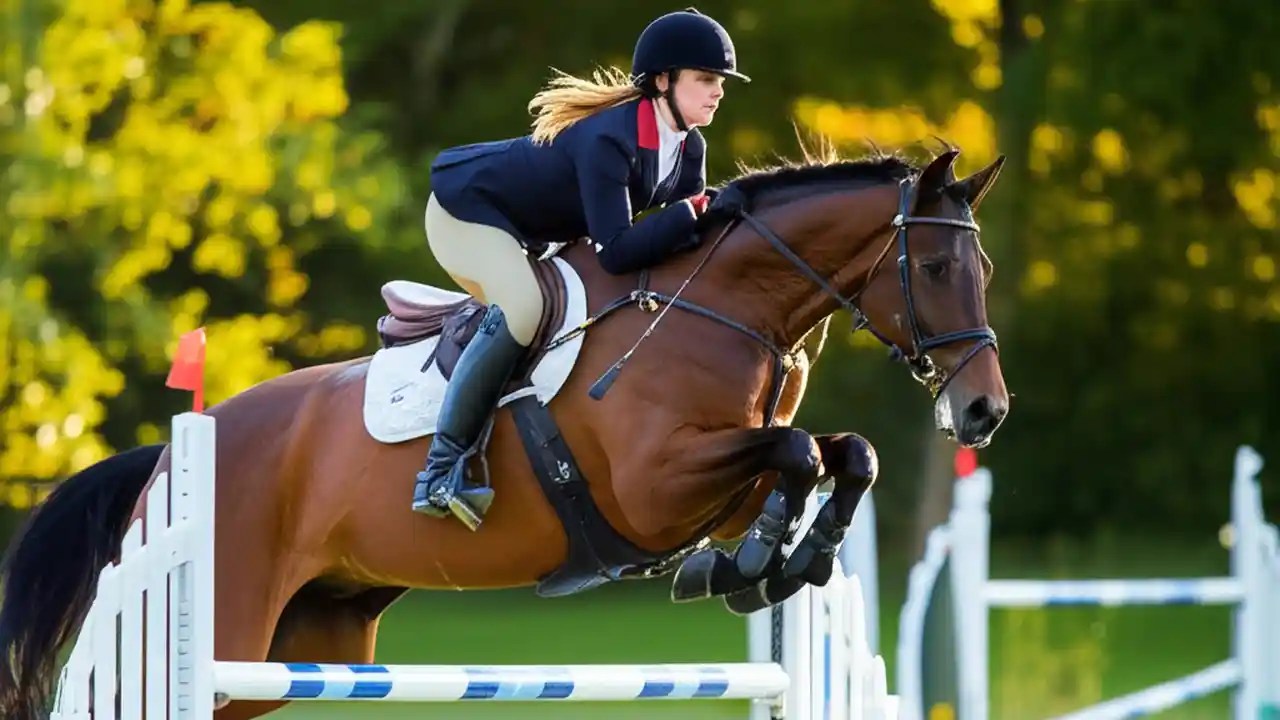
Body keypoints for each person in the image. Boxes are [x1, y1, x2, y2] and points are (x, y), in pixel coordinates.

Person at [411, 8, 750, 527]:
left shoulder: (689, 147)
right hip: (466, 212)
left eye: (720, 82)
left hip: (529, 230)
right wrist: (691, 213)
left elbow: (682, 243)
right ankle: (440, 469)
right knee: (524, 309)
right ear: (663, 80)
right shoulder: (608, 139)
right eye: (706, 79)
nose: (718, 91)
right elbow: (614, 250)